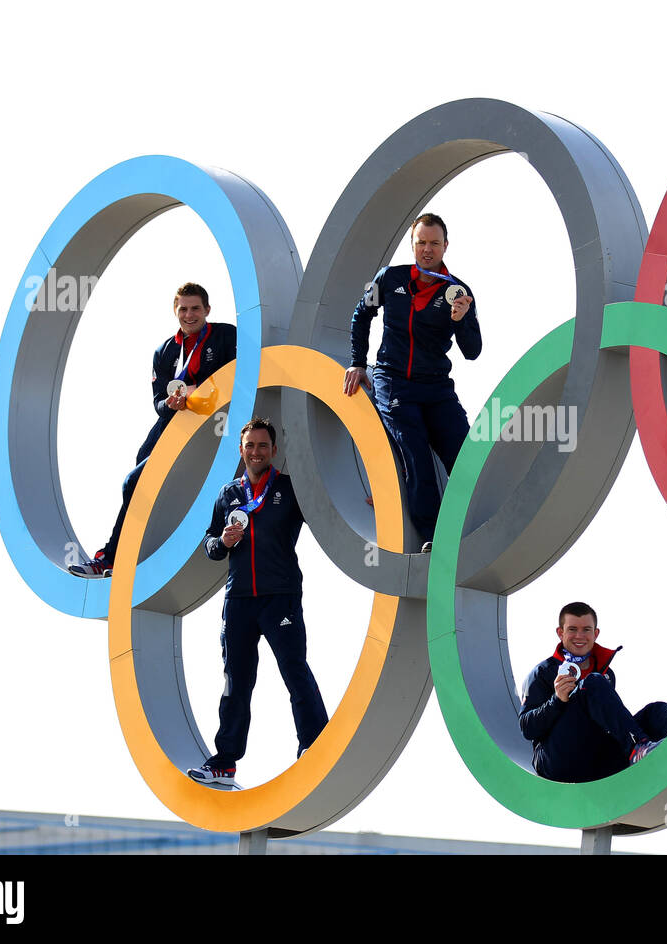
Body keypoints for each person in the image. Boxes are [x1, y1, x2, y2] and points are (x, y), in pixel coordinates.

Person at [186, 418, 329, 787]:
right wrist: (224, 543)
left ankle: (314, 744)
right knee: (236, 680)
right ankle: (224, 762)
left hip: (280, 596)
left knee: (294, 669)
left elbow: (327, 516)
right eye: (250, 445)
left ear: (273, 451)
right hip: (239, 599)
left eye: (263, 446)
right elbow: (210, 546)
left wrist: (370, 502)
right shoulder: (228, 494)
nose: (256, 452)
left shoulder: (289, 488)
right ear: (241, 450)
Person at [69, 282, 236, 576]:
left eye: (195, 308)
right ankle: (125, 558)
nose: (189, 315)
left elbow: (237, 376)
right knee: (135, 481)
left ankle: (113, 559)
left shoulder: (225, 335)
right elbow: (158, 401)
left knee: (135, 482)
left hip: (210, 427)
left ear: (207, 309)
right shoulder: (165, 350)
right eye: (183, 309)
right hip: (171, 426)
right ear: (175, 311)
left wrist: (198, 391)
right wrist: (171, 403)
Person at [343, 213, 481, 552]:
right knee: (415, 454)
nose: (427, 250)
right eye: (421, 242)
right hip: (394, 383)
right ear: (412, 244)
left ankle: (476, 530)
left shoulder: (457, 291)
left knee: (466, 456)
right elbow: (361, 314)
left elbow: (473, 351)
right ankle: (433, 536)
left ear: (446, 246)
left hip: (436, 387)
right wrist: (358, 363)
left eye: (434, 243)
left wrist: (462, 321)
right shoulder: (390, 279)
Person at [519, 602, 667, 783]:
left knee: (656, 711)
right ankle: (639, 748)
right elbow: (527, 728)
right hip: (559, 762)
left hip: (597, 760)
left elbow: (612, 721)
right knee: (594, 682)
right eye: (572, 629)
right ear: (560, 633)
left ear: (595, 633)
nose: (579, 636)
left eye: (586, 630)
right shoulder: (544, 672)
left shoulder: (606, 673)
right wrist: (557, 700)